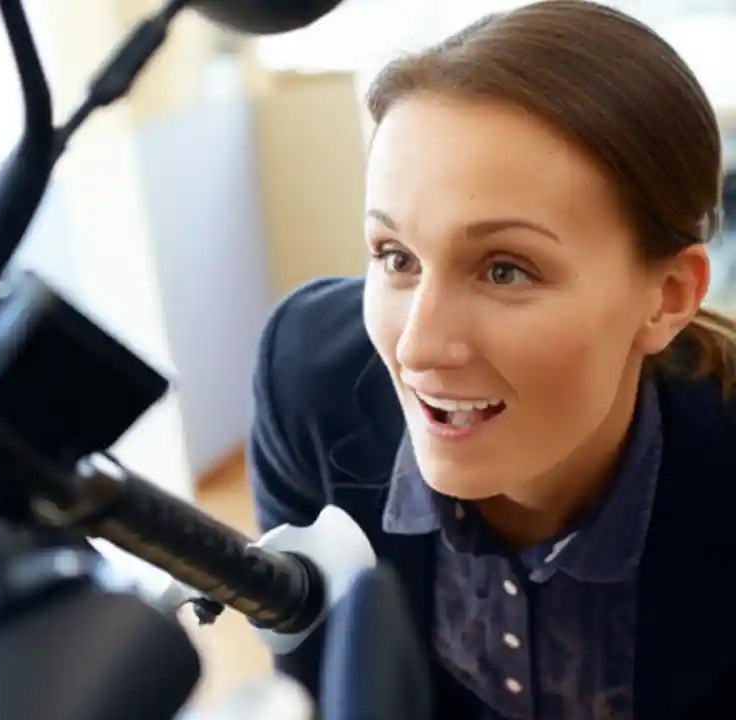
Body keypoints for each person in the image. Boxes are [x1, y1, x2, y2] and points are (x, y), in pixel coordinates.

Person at [247, 2, 736, 718]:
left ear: (667, 297)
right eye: (396, 257)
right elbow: (324, 688)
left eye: (505, 270)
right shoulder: (307, 381)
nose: (416, 347)